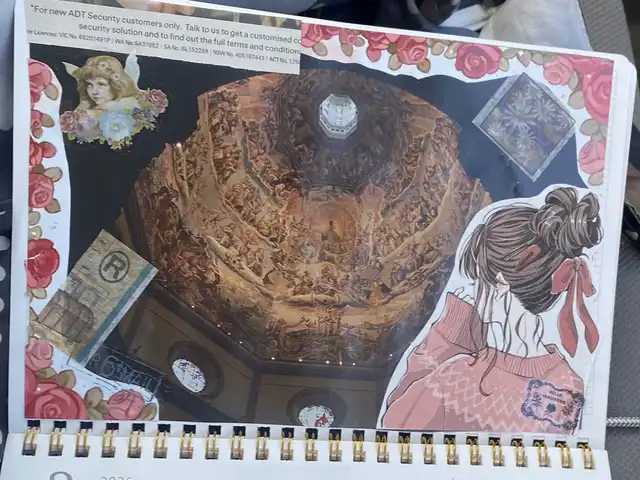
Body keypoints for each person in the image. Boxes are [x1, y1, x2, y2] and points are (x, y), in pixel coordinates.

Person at [380, 186, 602, 434]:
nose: (473, 289)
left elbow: (393, 426)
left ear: (500, 280)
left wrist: (449, 333)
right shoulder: (569, 385)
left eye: (478, 279)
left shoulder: (455, 378)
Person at [72, 56, 140, 117]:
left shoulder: (133, 107)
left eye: (101, 84)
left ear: (116, 85)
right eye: (89, 85)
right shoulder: (85, 110)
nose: (94, 92)